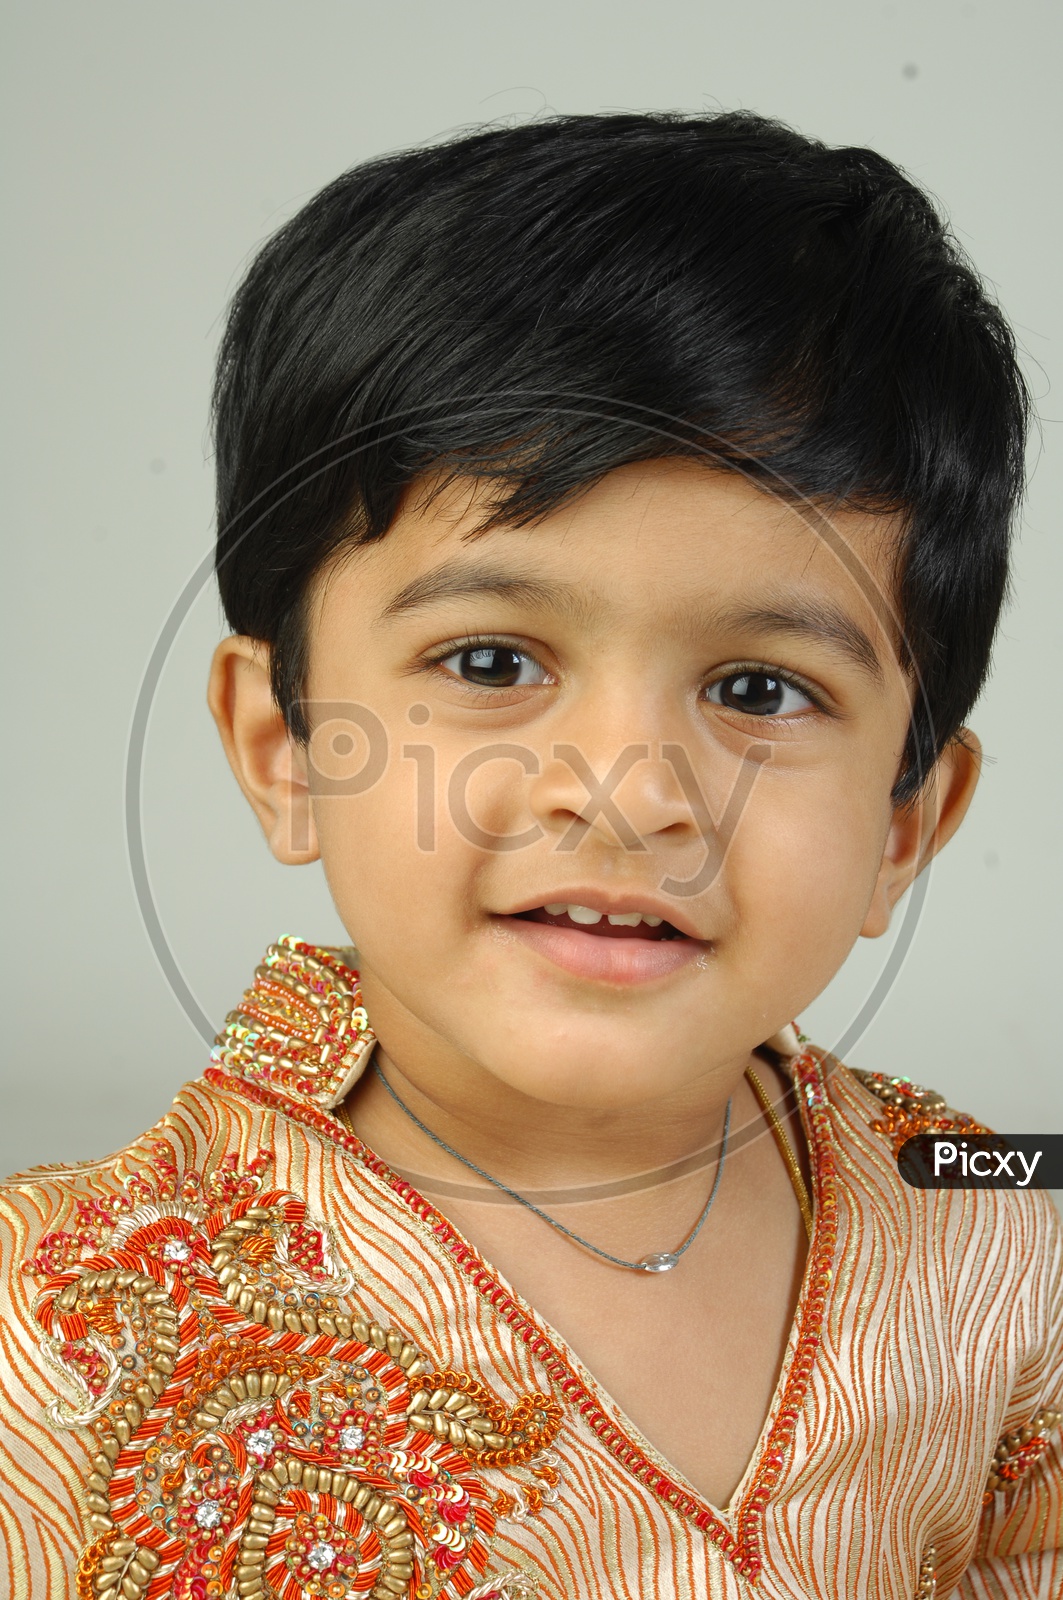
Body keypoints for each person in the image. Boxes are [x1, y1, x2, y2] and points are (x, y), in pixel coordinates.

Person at [1, 111, 1059, 1600]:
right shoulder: (48, 1326)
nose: (626, 793)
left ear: (905, 825)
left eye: (760, 689)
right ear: (284, 745)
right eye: (492, 659)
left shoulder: (1003, 1218)